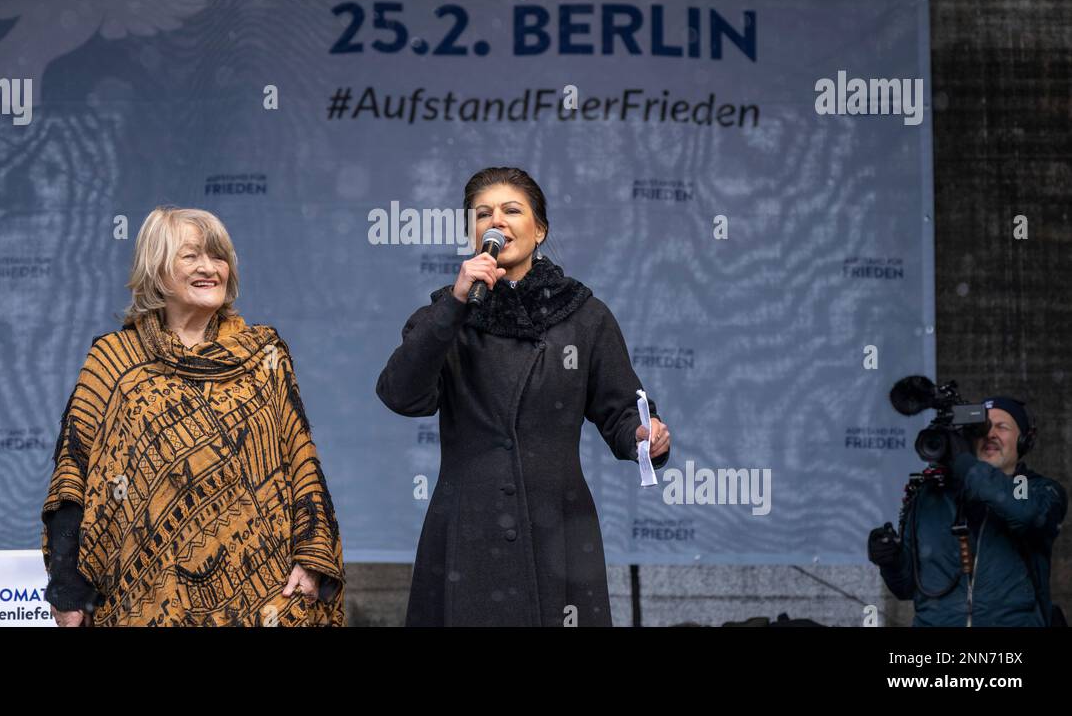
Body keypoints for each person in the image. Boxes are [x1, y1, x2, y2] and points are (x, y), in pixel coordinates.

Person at [376, 166, 671, 626]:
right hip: (469, 523)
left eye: (512, 210)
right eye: (483, 214)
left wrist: (643, 434)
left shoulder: (584, 316)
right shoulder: (446, 313)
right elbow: (401, 394)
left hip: (556, 523)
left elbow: (620, 409)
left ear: (540, 230)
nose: (497, 221)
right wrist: (453, 305)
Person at [40, 206, 345, 626]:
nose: (209, 268)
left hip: (265, 600)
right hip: (148, 600)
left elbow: (302, 462)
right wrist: (67, 591)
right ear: (157, 269)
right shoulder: (113, 361)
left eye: (218, 257)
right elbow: (73, 476)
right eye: (191, 256)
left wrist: (313, 558)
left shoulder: (265, 355)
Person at [869, 396, 1067, 626]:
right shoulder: (929, 494)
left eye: (1002, 427)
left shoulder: (1033, 487)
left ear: (1023, 440)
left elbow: (1025, 513)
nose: (990, 434)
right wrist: (890, 561)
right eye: (982, 427)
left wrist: (966, 465)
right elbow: (905, 588)